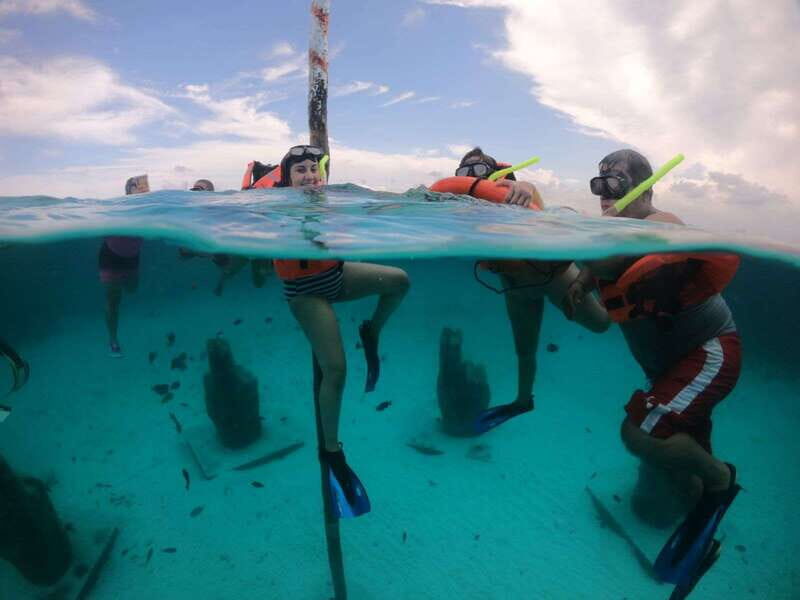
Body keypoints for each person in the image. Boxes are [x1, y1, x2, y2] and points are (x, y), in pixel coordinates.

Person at [563, 149, 742, 591]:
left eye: (616, 183)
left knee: (639, 433)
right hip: (670, 368)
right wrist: (584, 281)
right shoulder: (612, 238)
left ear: (643, 188)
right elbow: (609, 265)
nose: (604, 194)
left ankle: (722, 481)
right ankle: (703, 536)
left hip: (708, 351)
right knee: (682, 467)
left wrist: (585, 259)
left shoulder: (663, 225)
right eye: (598, 184)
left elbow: (653, 239)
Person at [273, 144, 409, 517]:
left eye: (314, 168)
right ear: (287, 179)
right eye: (299, 170)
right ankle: (332, 451)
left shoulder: (334, 199)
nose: (309, 175)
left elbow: (370, 208)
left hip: (336, 276)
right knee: (336, 369)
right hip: (305, 293)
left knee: (399, 281)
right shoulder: (276, 205)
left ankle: (372, 331)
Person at [447, 148, 609, 434]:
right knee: (525, 351)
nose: (472, 179)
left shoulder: (518, 194)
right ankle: (523, 401)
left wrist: (523, 186)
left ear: (497, 176)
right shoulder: (464, 212)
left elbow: (527, 191)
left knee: (601, 324)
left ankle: (605, 277)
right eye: (464, 174)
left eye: (480, 172)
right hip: (516, 289)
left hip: (554, 279)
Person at [179, 179, 271, 294]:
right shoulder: (191, 211)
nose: (197, 192)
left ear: (210, 193)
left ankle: (270, 267)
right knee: (229, 270)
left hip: (257, 243)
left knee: (259, 283)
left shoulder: (222, 205)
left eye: (200, 189)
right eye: (194, 190)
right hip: (242, 248)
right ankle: (220, 284)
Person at [99, 175, 147, 357]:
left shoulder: (151, 209)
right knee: (114, 300)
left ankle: (120, 283)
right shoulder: (119, 207)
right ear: (129, 190)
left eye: (145, 186)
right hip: (110, 257)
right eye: (138, 186)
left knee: (132, 289)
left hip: (132, 257)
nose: (143, 188)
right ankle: (113, 340)